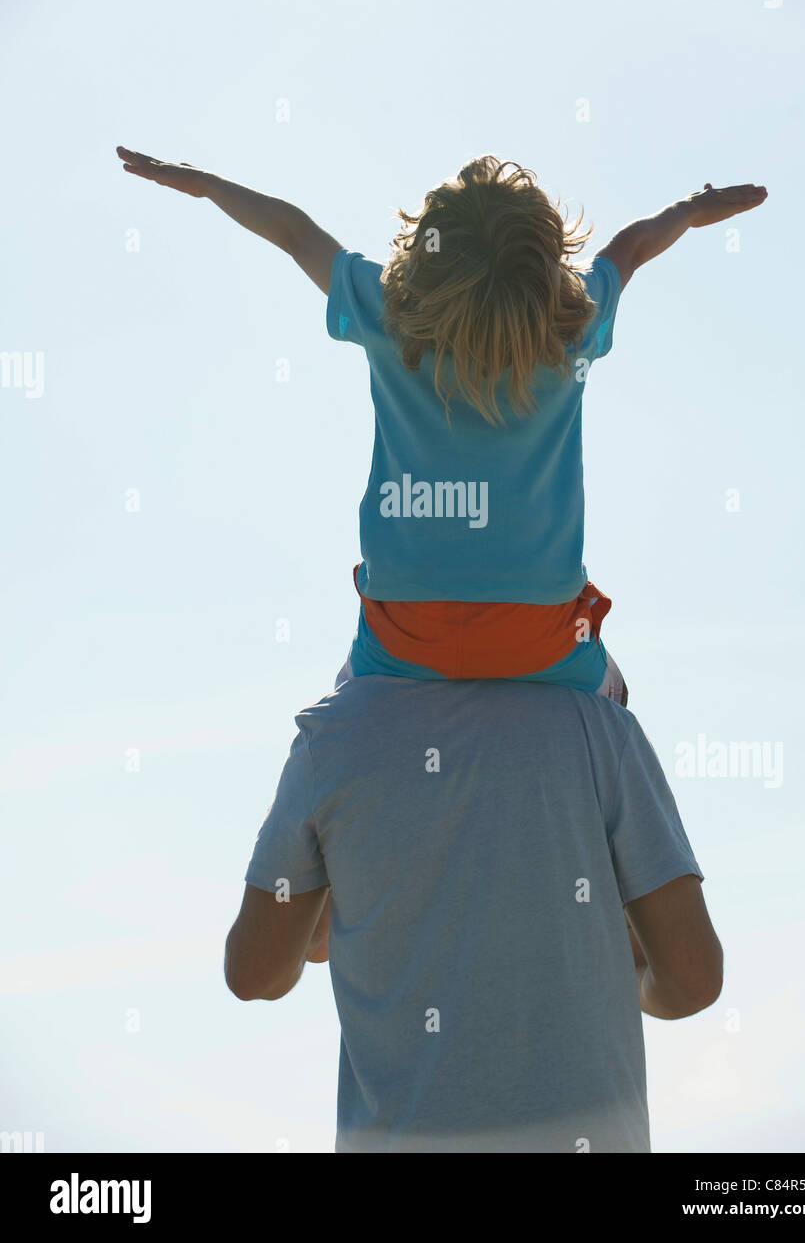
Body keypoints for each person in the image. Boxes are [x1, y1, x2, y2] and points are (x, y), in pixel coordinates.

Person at [116, 146, 767, 706]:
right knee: (616, 695)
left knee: (345, 702)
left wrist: (205, 184)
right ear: (543, 252)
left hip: (405, 624)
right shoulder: (574, 321)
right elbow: (629, 247)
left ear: (428, 245)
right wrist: (688, 208)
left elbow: (292, 231)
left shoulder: (388, 309)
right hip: (540, 628)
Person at [224, 674, 723, 1153]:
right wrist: (624, 975)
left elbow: (255, 973)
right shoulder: (602, 726)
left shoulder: (335, 733)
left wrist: (359, 897)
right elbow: (692, 979)